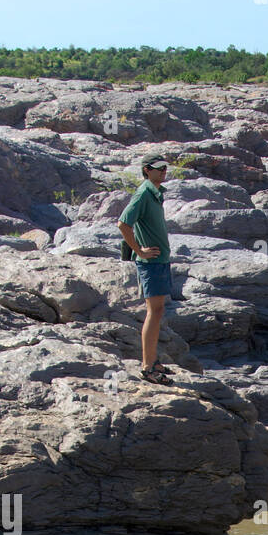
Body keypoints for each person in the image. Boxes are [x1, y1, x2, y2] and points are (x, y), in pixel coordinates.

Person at [118, 156, 173, 384]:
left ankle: (153, 360)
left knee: (158, 311)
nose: (163, 172)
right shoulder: (143, 194)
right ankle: (148, 367)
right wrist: (139, 251)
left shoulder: (155, 193)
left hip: (159, 261)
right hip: (150, 263)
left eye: (165, 168)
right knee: (154, 312)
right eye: (159, 169)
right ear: (147, 170)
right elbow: (123, 224)